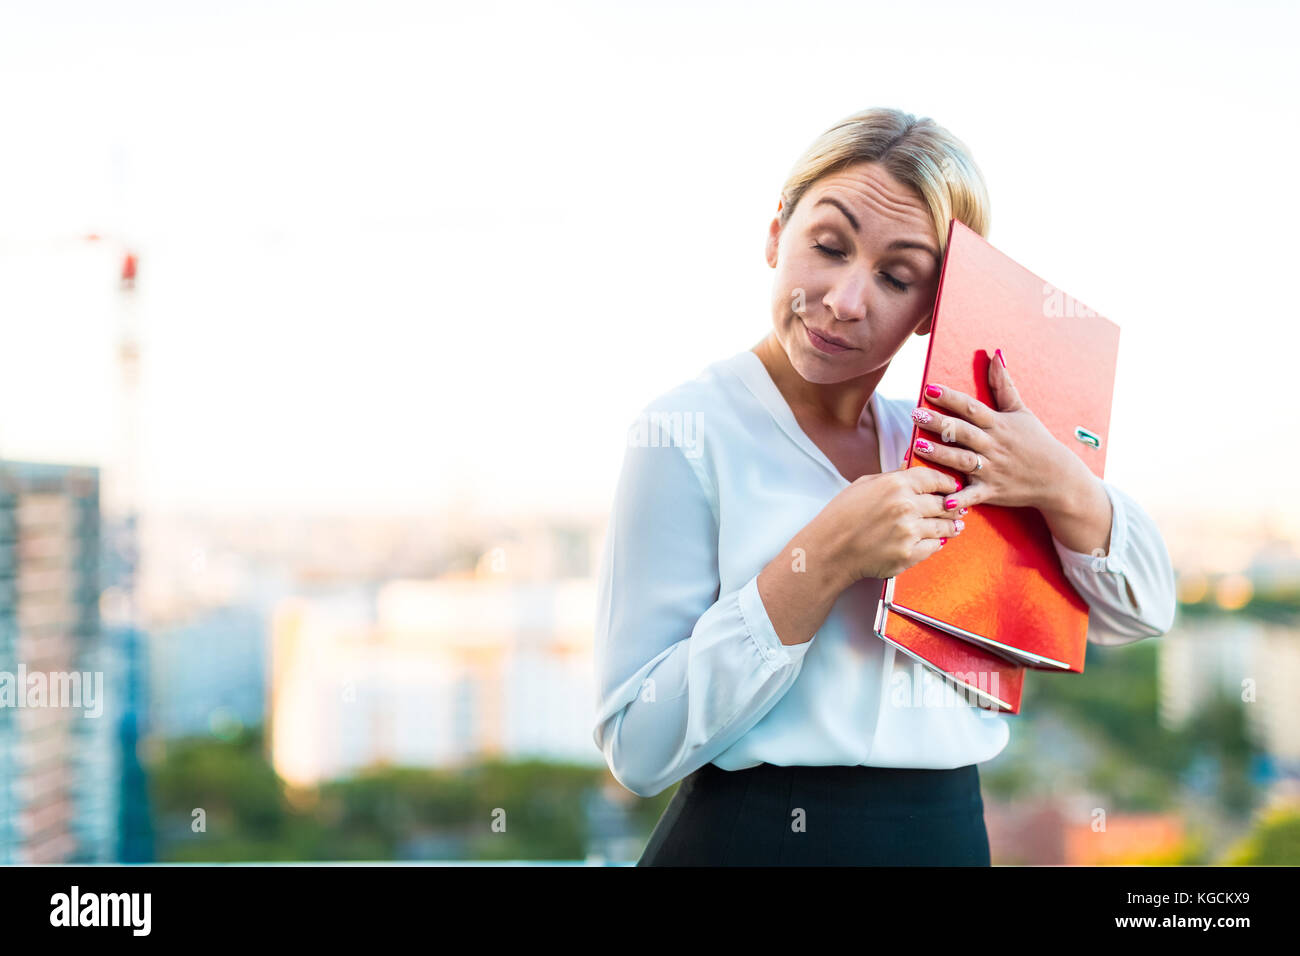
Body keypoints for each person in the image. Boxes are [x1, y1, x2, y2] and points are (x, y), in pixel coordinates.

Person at [591, 107, 1177, 866]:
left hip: (946, 839)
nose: (844, 301)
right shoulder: (684, 432)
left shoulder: (961, 440)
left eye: (897, 276)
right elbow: (638, 745)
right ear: (776, 234)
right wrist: (825, 558)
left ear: (937, 309)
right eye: (827, 247)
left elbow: (1143, 611)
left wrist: (1057, 480)